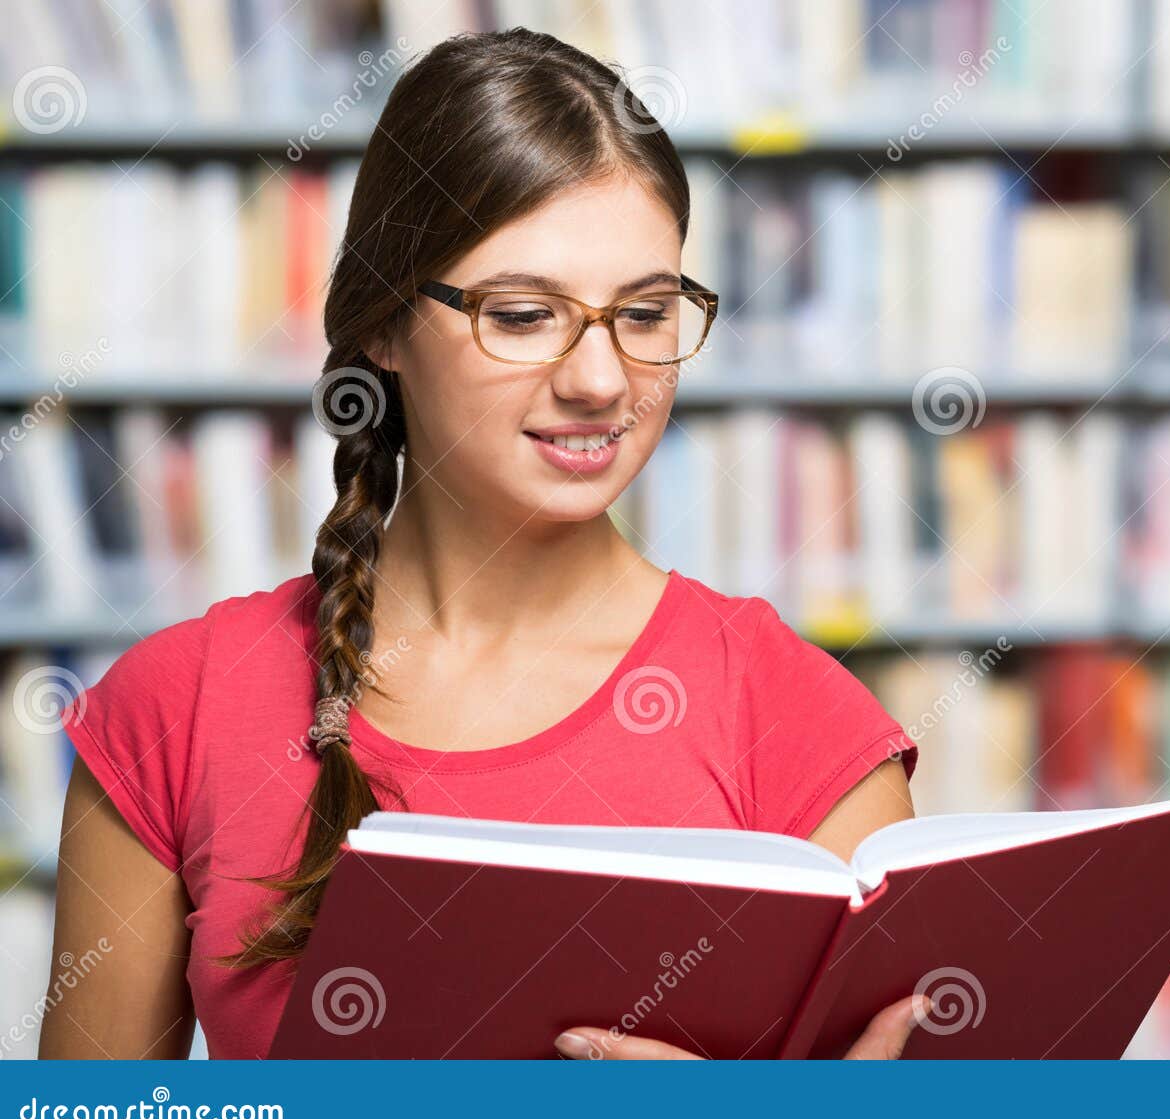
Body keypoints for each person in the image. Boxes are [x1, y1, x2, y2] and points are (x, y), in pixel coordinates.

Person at [41, 29, 920, 1061]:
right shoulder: (172, 712)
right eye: (521, 314)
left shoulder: (803, 730)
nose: (601, 379)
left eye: (643, 313)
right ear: (381, 325)